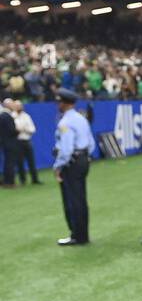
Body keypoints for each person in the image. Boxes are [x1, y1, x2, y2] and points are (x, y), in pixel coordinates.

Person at [52, 90, 94, 245]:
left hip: (71, 162)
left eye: (59, 102)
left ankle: (77, 235)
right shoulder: (81, 119)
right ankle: (83, 234)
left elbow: (66, 148)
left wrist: (58, 165)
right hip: (83, 159)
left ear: (64, 103)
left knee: (71, 200)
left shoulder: (65, 122)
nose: (58, 105)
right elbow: (90, 142)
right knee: (80, 199)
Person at [11, 100, 39, 185]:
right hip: (17, 142)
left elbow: (32, 129)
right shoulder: (12, 116)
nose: (19, 107)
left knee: (31, 161)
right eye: (17, 106)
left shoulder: (26, 116)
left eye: (20, 105)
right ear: (14, 107)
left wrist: (24, 129)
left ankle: (35, 179)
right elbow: (14, 129)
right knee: (19, 162)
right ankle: (22, 180)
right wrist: (22, 129)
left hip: (27, 141)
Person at [0, 100, 18, 187]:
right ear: (7, 105)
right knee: (10, 162)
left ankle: (6, 181)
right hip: (10, 142)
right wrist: (18, 131)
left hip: (5, 142)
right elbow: (11, 130)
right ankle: (10, 182)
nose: (13, 106)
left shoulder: (2, 116)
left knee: (7, 162)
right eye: (12, 104)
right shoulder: (7, 116)